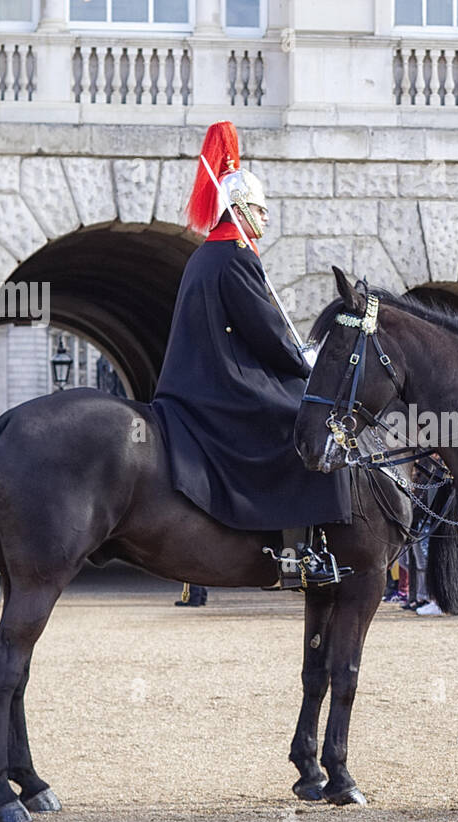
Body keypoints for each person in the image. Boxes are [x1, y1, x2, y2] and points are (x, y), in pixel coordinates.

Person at [150, 121, 350, 589]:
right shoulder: (236, 256)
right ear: (239, 208)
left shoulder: (207, 255)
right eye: (261, 209)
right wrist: (306, 363)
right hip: (226, 381)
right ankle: (305, 552)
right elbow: (266, 334)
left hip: (198, 379)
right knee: (308, 423)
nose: (266, 217)